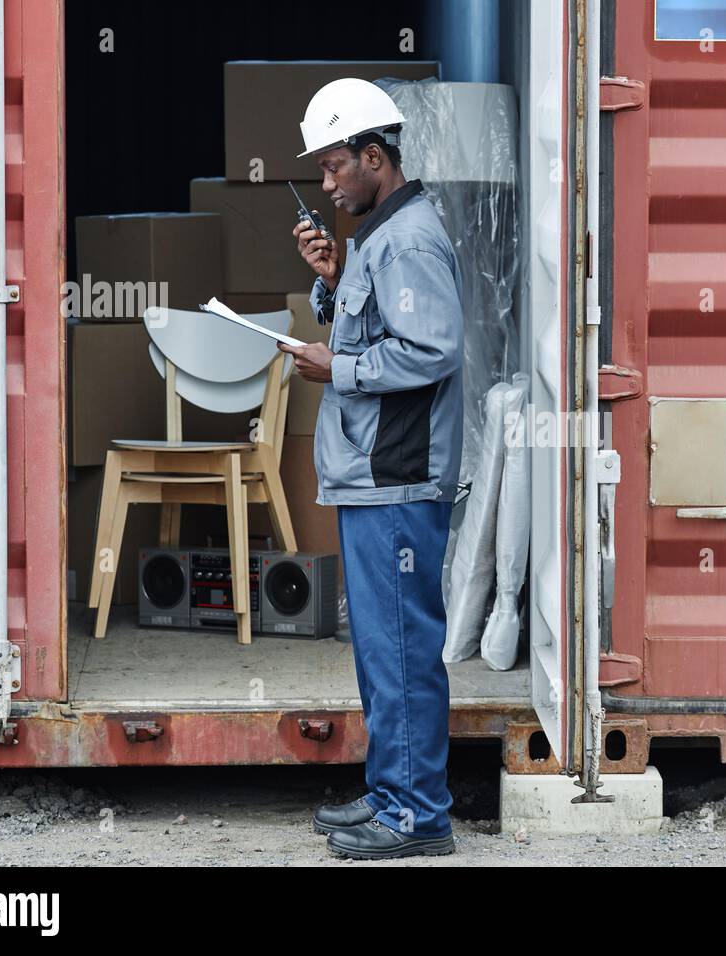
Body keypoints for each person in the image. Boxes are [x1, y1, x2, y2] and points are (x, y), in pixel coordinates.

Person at [279, 77, 464, 860]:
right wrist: (330, 281)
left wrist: (336, 370)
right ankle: (393, 793)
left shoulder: (409, 237)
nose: (326, 186)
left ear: (375, 156)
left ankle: (419, 815)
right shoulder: (379, 233)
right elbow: (381, 326)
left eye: (333, 168)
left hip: (396, 477)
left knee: (401, 650)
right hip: (373, 475)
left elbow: (433, 349)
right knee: (381, 651)